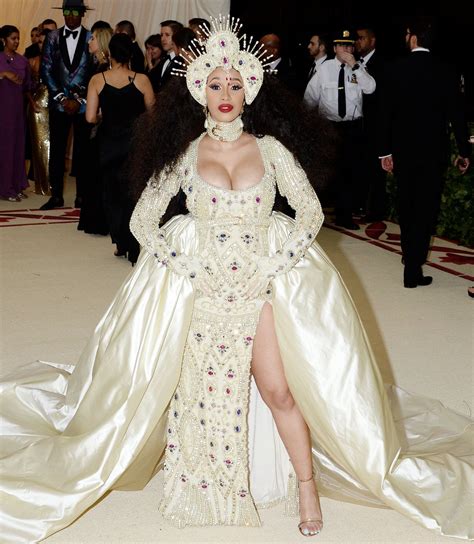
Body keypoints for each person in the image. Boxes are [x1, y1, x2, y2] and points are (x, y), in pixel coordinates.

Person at [0, 16, 472, 543]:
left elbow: (310, 213)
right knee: (198, 392)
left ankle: (308, 487)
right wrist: (186, 266)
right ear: (199, 90)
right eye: (215, 84)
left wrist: (272, 265)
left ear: (250, 89)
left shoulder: (270, 150)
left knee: (279, 390)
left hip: (258, 287)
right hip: (203, 290)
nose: (225, 95)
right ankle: (205, 482)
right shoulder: (186, 154)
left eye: (235, 84)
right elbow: (142, 221)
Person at [378, 17, 471, 288]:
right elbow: (457, 115)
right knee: (426, 208)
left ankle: (410, 264)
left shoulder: (395, 68)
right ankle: (415, 262)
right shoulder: (445, 70)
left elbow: (384, 114)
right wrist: (464, 150)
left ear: (413, 37)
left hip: (403, 151)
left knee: (407, 206)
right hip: (434, 152)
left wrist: (384, 152)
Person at [86, 33, 154, 263]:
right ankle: (133, 245)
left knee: (112, 193)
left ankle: (120, 242)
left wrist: (104, 115)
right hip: (136, 143)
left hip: (108, 143)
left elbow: (90, 118)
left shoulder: (98, 80)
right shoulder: (142, 80)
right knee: (133, 193)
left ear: (109, 54)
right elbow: (152, 115)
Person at [304, 29, 376, 230]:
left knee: (350, 171)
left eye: (350, 46)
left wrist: (355, 66)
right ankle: (318, 213)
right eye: (342, 45)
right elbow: (309, 99)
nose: (346, 49)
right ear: (335, 48)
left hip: (352, 127)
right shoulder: (324, 69)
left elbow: (370, 88)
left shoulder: (359, 68)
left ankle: (344, 215)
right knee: (328, 172)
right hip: (329, 127)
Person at [39, 0, 95, 210]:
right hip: (59, 104)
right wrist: (62, 98)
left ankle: (82, 196)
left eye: (74, 12)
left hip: (83, 105)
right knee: (57, 150)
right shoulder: (52, 37)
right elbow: (46, 69)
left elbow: (94, 71)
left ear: (82, 14)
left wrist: (79, 99)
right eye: (67, 11)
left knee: (83, 152)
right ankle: (56, 196)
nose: (70, 16)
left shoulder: (91, 37)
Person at [77, 25, 113, 235]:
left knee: (96, 172)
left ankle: (98, 219)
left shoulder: (104, 69)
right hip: (92, 123)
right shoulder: (96, 65)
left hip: (98, 126)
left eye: (93, 39)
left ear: (102, 42)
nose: (89, 41)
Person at [355, 26, 387, 221]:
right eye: (357, 38)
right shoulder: (354, 63)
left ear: (372, 41)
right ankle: (359, 205)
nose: (358, 42)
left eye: (362, 38)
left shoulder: (381, 63)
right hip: (358, 123)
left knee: (375, 169)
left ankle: (375, 210)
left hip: (376, 123)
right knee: (361, 166)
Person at [0, 25, 32, 201]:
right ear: (3, 40)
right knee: (5, 148)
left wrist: (33, 104)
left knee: (18, 147)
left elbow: (27, 87)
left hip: (18, 111)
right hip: (2, 111)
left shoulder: (22, 61)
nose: (17, 41)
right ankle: (5, 188)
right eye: (13, 38)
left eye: (18, 38)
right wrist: (3, 73)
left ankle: (17, 185)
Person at [28, 28, 52, 195]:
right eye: (40, 42)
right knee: (41, 144)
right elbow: (26, 87)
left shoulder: (59, 60)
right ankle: (43, 185)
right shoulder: (34, 61)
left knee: (55, 145)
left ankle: (54, 184)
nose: (42, 45)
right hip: (39, 105)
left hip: (56, 105)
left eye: (45, 42)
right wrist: (32, 103)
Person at [149, 19, 183, 92]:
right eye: (161, 35)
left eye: (167, 35)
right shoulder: (164, 59)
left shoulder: (181, 61)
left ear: (176, 37)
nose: (162, 39)